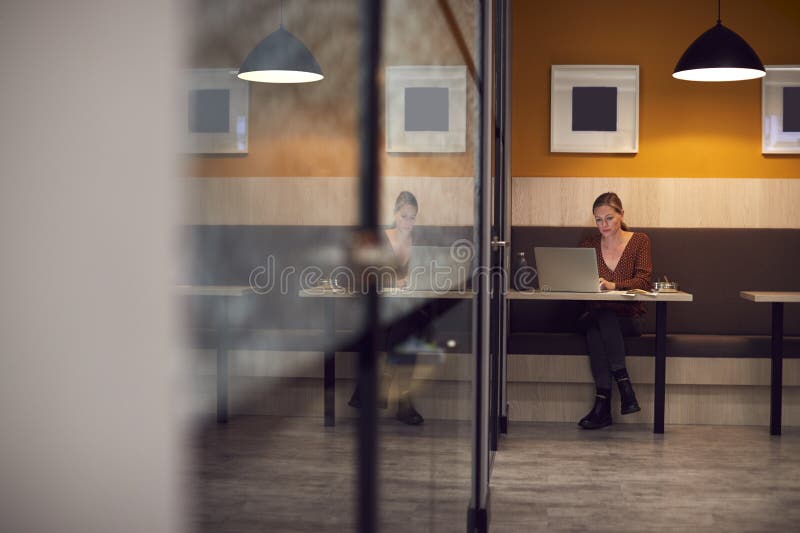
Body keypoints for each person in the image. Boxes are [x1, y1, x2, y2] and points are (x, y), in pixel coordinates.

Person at [348, 191, 432, 425]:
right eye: (404, 216)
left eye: (413, 218)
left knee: (408, 323)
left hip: (411, 307)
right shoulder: (380, 239)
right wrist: (390, 281)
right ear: (394, 215)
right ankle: (403, 404)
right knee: (408, 330)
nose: (408, 222)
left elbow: (428, 275)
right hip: (381, 309)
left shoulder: (420, 242)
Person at [577, 192, 652, 429]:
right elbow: (578, 279)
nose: (604, 225)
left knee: (598, 323)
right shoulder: (589, 244)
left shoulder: (639, 240)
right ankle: (624, 387)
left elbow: (644, 280)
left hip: (629, 318)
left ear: (621, 215)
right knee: (598, 320)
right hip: (596, 314)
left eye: (609, 218)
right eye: (598, 220)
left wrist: (613, 285)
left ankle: (602, 406)